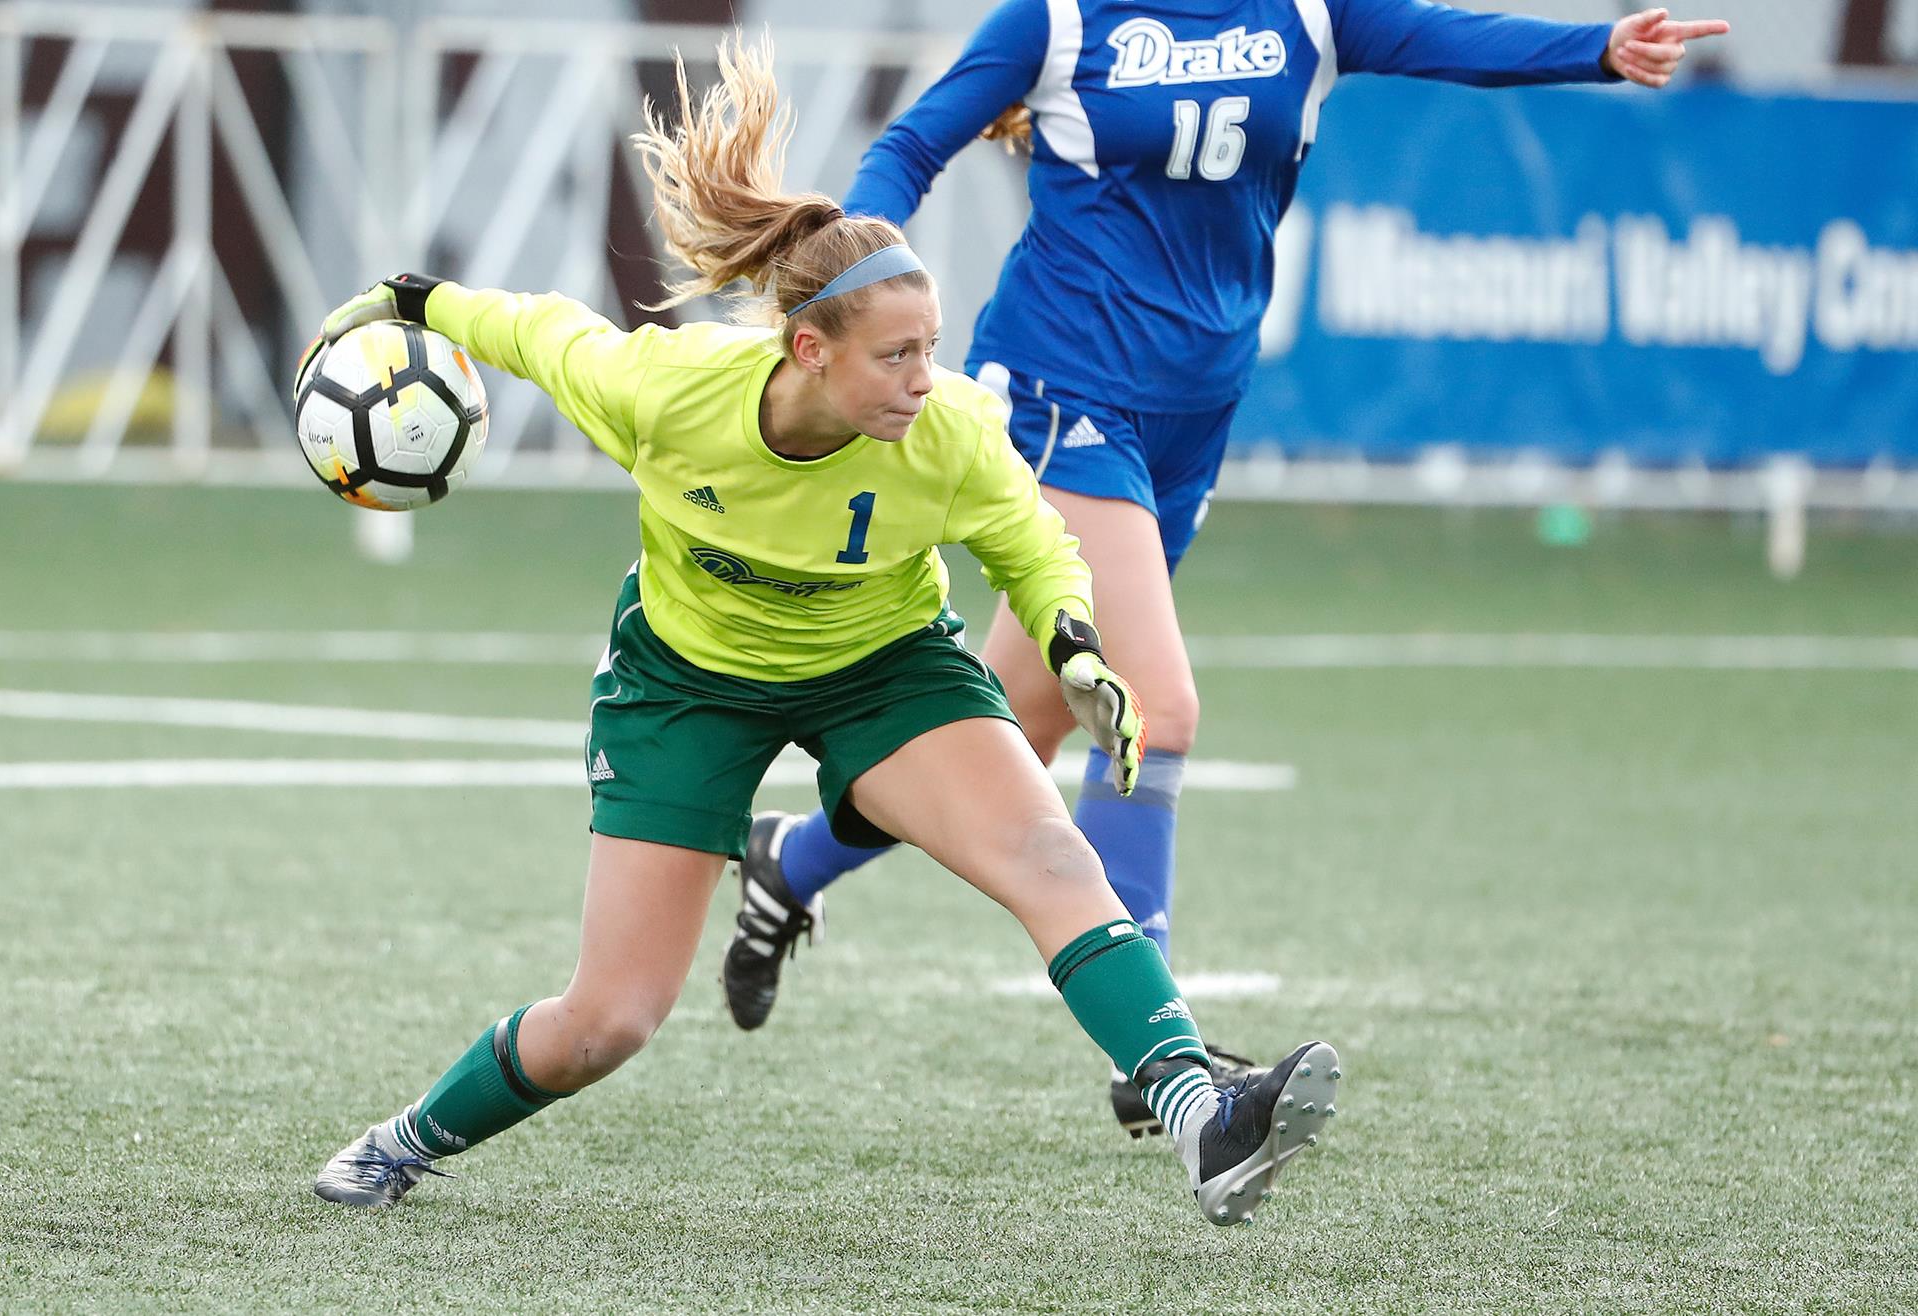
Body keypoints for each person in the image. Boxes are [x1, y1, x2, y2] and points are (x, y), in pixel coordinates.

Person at [310, 35, 1339, 1227]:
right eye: (896, 355)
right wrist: (406, 300)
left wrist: (1070, 644)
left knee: (1052, 857)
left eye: (930, 349)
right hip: (686, 686)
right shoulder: (670, 393)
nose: (924, 377)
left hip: (882, 670)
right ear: (809, 349)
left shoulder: (949, 426)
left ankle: (1200, 1117)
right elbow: (537, 330)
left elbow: (1032, 539)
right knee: (609, 1020)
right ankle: (401, 1140)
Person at [720, 2, 1729, 1136]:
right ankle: (1156, 1053)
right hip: (1061, 386)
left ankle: (790, 863)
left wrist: (1595, 49)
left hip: (1193, 408)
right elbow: (911, 146)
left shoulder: (1304, 13)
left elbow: (1441, 39)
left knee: (1013, 724)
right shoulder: (1060, 21)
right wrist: (858, 283)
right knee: (1153, 704)